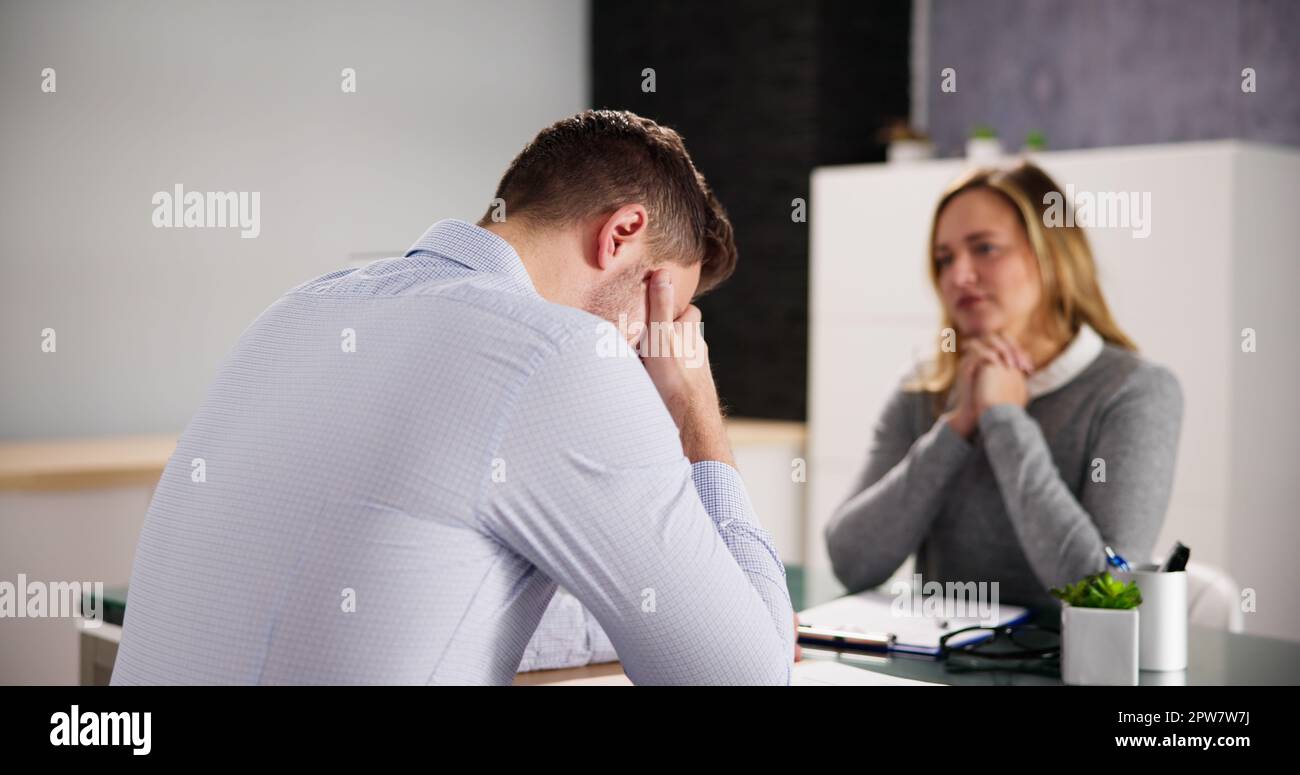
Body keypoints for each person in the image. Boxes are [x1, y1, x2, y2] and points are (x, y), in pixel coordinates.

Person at [112, 110, 794, 685]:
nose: (662, 343)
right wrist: (694, 408)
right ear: (619, 234)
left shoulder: (297, 311)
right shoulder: (563, 356)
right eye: (668, 309)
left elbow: (408, 586)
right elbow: (748, 675)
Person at [824, 161, 1183, 609]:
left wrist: (1005, 420)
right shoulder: (924, 390)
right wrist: (956, 429)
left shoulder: (1136, 393)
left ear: (1051, 254)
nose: (959, 276)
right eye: (944, 259)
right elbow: (851, 562)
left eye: (985, 249)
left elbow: (1103, 593)